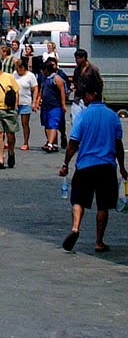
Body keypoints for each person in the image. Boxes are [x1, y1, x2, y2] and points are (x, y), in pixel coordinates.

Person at [59, 81, 128, 252]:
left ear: (93, 95)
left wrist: (66, 163)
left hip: (85, 166)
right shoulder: (113, 116)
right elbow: (118, 145)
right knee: (103, 206)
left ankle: (75, 227)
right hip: (106, 166)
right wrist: (122, 167)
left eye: (86, 96)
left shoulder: (83, 115)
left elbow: (73, 144)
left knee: (78, 200)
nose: (84, 99)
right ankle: (99, 241)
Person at [38, 58, 67, 153]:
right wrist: (38, 100)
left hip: (55, 106)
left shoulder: (56, 78)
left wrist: (63, 104)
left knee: (53, 124)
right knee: (46, 125)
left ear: (47, 70)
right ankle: (52, 143)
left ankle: (50, 144)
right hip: (45, 106)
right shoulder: (45, 79)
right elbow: (41, 90)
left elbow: (62, 91)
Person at [71, 49, 102, 128]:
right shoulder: (77, 69)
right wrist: (73, 86)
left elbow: (99, 83)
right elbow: (75, 80)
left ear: (83, 58)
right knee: (75, 121)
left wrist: (96, 96)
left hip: (89, 99)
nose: (76, 60)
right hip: (78, 98)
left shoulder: (93, 69)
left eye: (78, 58)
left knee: (89, 121)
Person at [12, 57, 38, 151]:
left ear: (23, 67)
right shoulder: (14, 74)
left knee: (25, 123)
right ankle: (10, 141)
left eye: (18, 67)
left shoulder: (30, 76)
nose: (17, 69)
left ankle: (26, 142)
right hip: (14, 102)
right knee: (12, 122)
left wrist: (34, 102)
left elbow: (35, 89)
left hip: (25, 102)